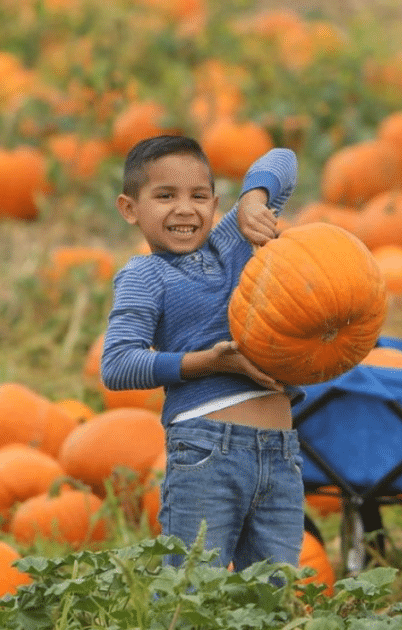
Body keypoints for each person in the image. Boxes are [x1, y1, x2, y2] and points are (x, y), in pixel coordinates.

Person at [100, 134, 305, 573]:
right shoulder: (145, 274)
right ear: (129, 209)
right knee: (191, 595)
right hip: (208, 452)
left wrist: (253, 200)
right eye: (165, 196)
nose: (185, 208)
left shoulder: (230, 242)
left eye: (198, 196)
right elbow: (116, 365)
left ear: (215, 204)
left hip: (281, 453)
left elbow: (283, 160)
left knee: (275, 598)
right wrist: (210, 363)